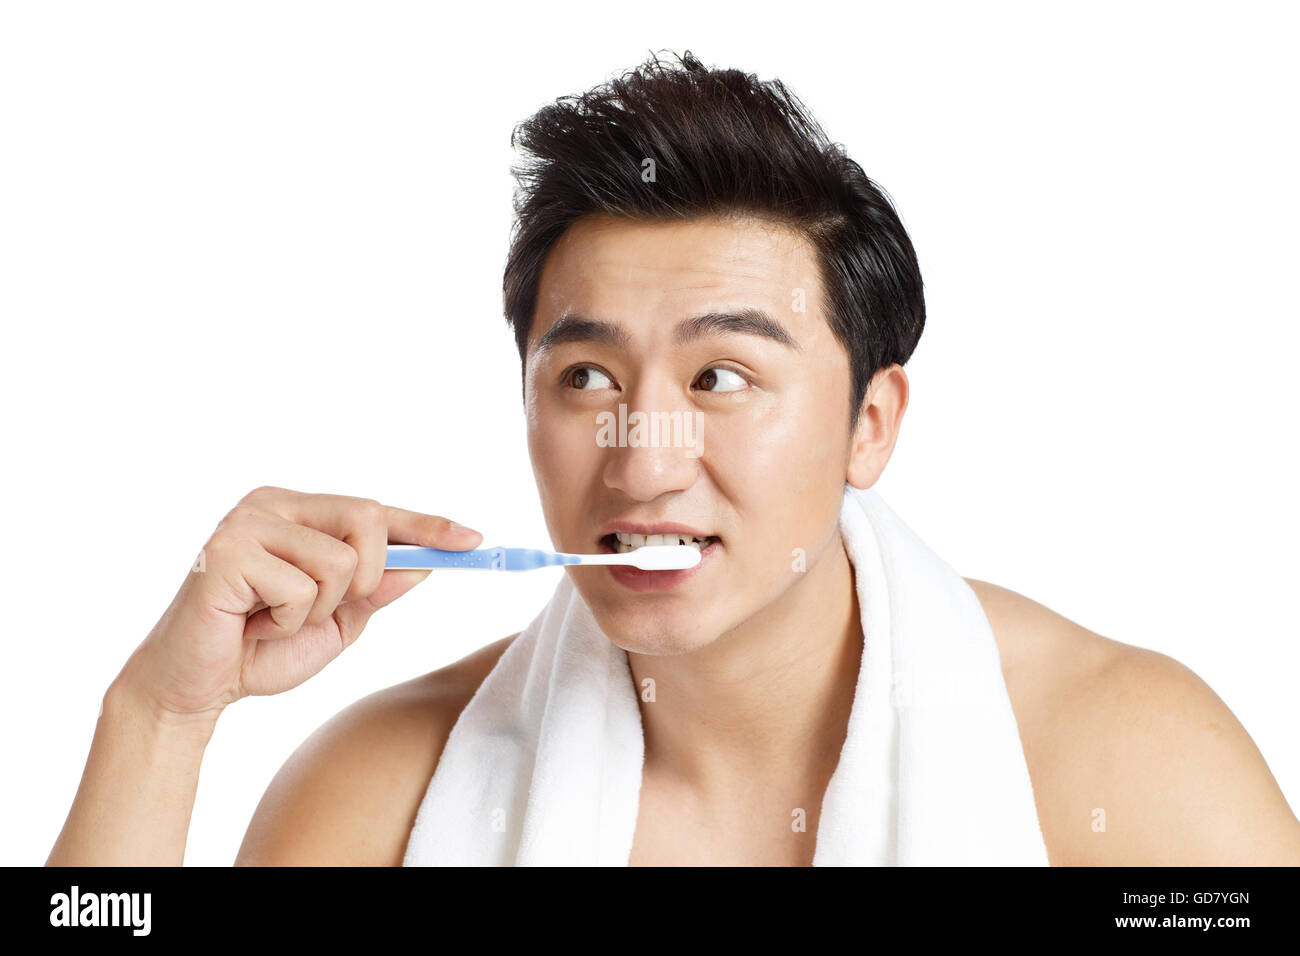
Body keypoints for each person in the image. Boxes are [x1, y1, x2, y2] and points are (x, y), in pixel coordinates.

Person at [48, 51, 1300, 867]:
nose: (643, 462)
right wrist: (158, 720)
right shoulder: (380, 799)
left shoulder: (1128, 766)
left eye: (721, 378)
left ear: (873, 421)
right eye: (585, 376)